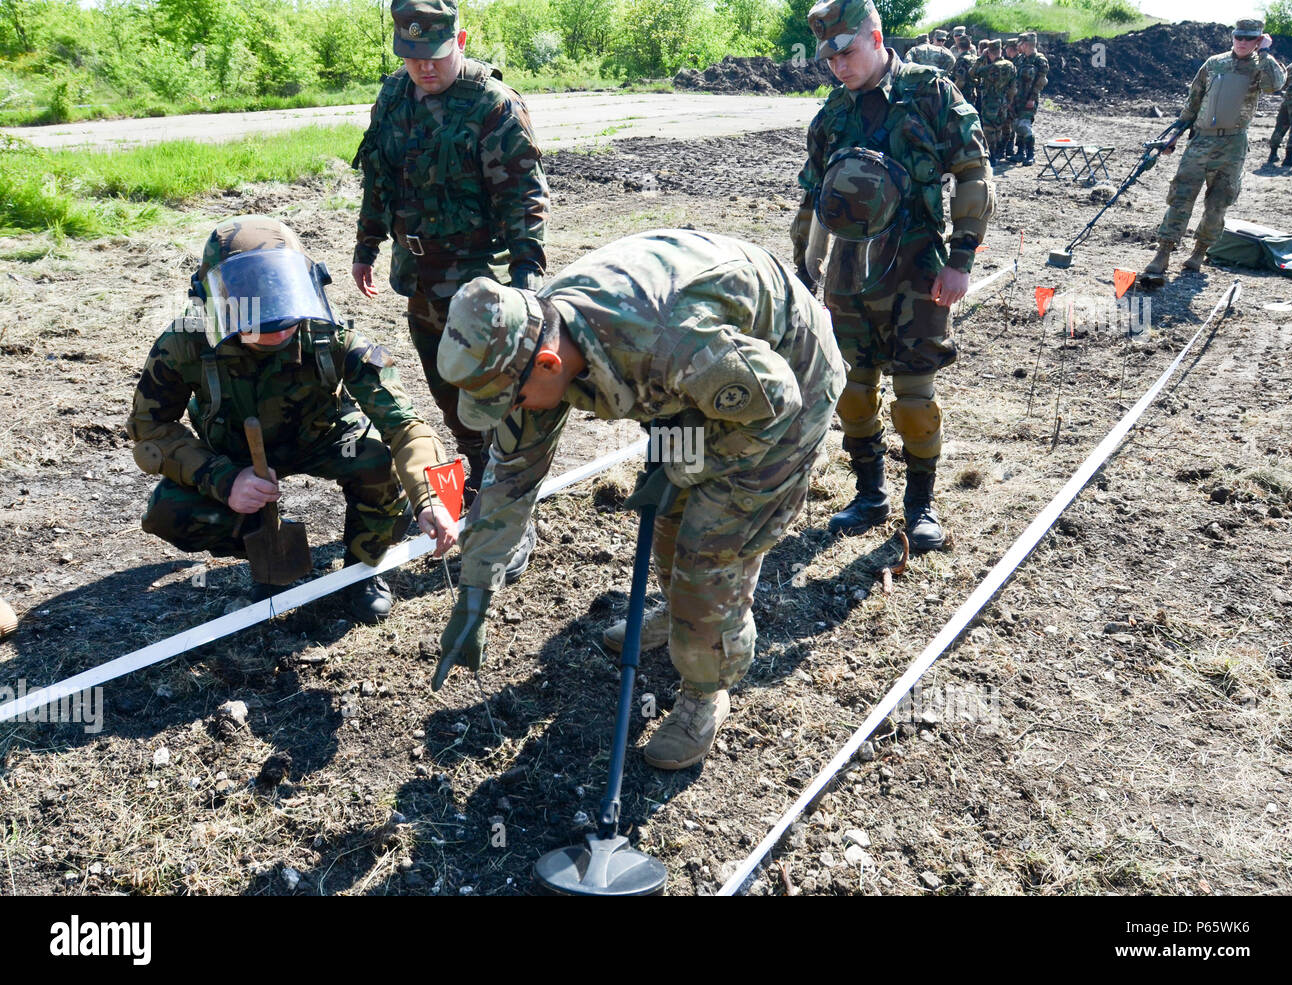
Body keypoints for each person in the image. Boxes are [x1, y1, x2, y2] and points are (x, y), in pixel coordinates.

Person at [433, 229, 846, 770]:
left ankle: (705, 689)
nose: (512, 411)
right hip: (695, 394)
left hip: (786, 387)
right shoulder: (537, 338)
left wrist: (694, 466)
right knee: (671, 518)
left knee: (709, 549)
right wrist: (475, 589)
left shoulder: (669, 341)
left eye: (510, 399)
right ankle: (683, 615)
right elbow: (512, 473)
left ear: (549, 365)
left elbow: (778, 403)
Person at [128, 216, 459, 624]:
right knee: (167, 512)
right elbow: (150, 430)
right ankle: (263, 547)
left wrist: (429, 498)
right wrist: (223, 479)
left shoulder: (330, 335)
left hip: (321, 434)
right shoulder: (185, 342)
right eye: (252, 302)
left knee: (378, 460)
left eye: (279, 293)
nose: (276, 325)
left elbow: (406, 425)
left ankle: (363, 566)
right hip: (233, 452)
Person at [794, 0, 994, 553]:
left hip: (918, 266)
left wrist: (962, 260)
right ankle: (869, 494)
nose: (838, 65)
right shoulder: (833, 112)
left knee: (913, 395)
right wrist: (802, 270)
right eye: (828, 58)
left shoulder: (930, 92)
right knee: (851, 390)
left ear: (877, 37)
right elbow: (813, 196)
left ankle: (921, 505)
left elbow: (973, 176)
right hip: (849, 270)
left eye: (846, 51)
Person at [352, 0, 549, 512]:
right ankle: (478, 466)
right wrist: (366, 243)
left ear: (460, 43)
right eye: (412, 56)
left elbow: (524, 196)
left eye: (435, 55)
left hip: (480, 280)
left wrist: (527, 273)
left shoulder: (493, 105)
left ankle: (509, 486)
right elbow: (378, 174)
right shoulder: (394, 96)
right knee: (444, 385)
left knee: (495, 387)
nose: (424, 67)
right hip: (418, 275)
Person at [1145, 19, 1286, 279]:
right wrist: (1174, 134)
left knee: (1218, 202)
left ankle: (1199, 253)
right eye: (1238, 37)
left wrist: (1265, 52)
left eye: (1249, 38)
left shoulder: (1261, 66)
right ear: (1233, 37)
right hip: (1201, 141)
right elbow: (1193, 101)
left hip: (1232, 144)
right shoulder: (1214, 63)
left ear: (1259, 40)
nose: (1242, 42)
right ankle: (1163, 252)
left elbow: (1275, 85)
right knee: (1181, 196)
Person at [971, 38, 1018, 164]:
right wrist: (1009, 101)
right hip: (1003, 102)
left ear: (989, 53)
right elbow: (1013, 87)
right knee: (999, 128)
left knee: (989, 130)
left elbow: (972, 73)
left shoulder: (989, 68)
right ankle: (999, 153)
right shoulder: (1010, 66)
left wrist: (981, 58)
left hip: (989, 103)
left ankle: (991, 156)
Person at [1011, 31, 1050, 165]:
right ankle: (1020, 152)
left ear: (1026, 44)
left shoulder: (1039, 60)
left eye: (1020, 44)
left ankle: (1030, 154)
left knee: (1025, 125)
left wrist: (1032, 98)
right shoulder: (1021, 59)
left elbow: (1041, 81)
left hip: (1029, 98)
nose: (1018, 46)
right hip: (1017, 98)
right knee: (1017, 125)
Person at [1267, 55, 1292, 167]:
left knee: (1281, 126)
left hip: (1287, 100)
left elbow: (1283, 83)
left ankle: (1273, 154)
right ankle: (1289, 156)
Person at [952, 33, 979, 104]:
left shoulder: (962, 60)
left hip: (963, 95)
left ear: (958, 46)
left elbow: (961, 81)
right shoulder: (974, 58)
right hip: (973, 92)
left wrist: (953, 93)